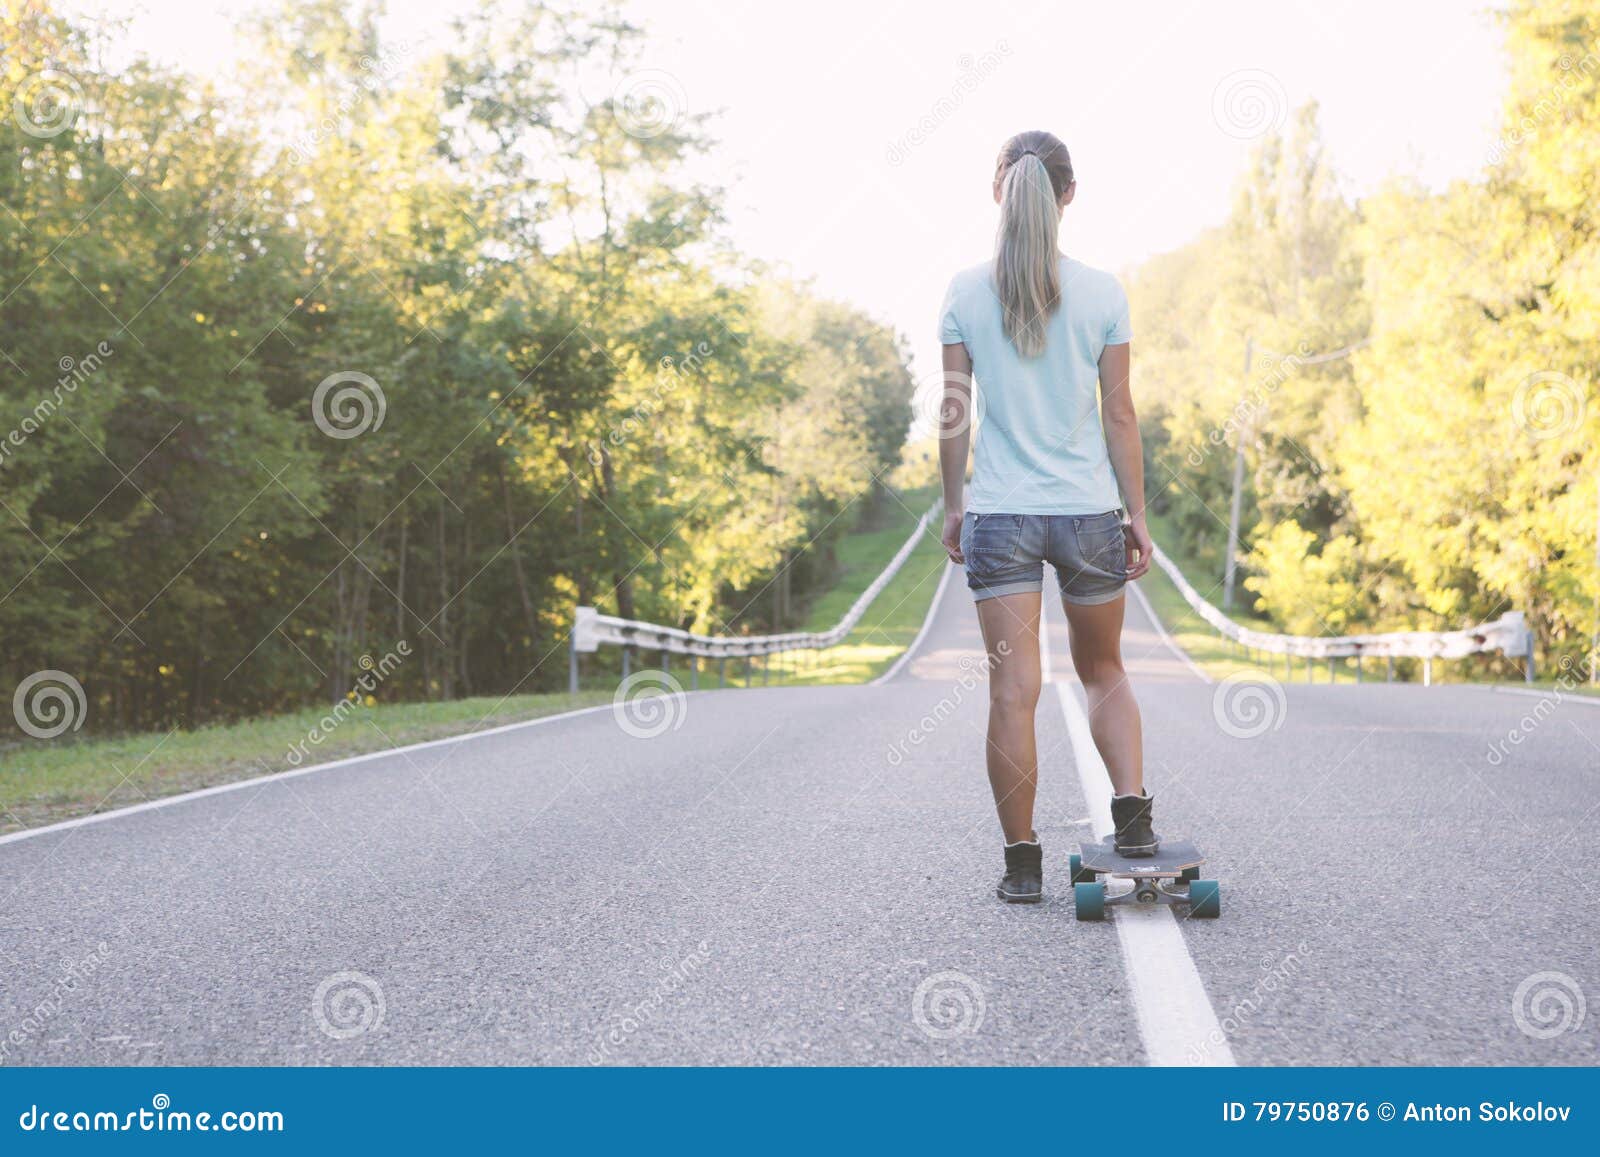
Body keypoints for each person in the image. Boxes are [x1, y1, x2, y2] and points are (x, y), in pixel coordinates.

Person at [937, 130, 1156, 905]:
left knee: (1013, 691)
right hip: (1087, 511)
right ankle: (1132, 819)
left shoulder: (964, 291)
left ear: (1000, 191)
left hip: (1002, 512)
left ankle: (1022, 866)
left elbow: (955, 413)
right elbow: (1120, 413)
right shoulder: (1103, 291)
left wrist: (955, 506)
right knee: (1105, 672)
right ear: (1068, 195)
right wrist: (1136, 512)